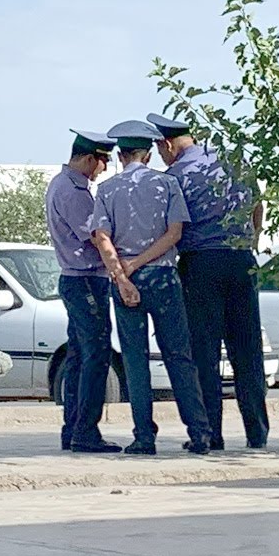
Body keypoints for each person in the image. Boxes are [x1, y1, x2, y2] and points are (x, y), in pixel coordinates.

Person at [91, 120, 213, 456]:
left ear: (120, 155)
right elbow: (174, 233)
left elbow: (101, 237)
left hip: (126, 282)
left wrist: (123, 274)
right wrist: (140, 262)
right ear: (147, 154)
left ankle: (144, 437)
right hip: (162, 277)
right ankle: (199, 433)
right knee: (179, 357)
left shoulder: (107, 190)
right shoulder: (167, 184)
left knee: (135, 360)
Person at [148, 112, 269, 450]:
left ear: (167, 144)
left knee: (204, 352)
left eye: (160, 150)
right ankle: (256, 432)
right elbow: (258, 204)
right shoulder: (235, 163)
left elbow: (173, 227)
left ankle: (211, 433)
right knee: (247, 350)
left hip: (200, 265)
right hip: (241, 259)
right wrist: (252, 239)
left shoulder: (175, 177)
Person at [44, 130, 122, 453]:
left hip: (79, 279)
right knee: (96, 352)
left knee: (79, 355)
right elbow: (95, 236)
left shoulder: (62, 185)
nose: (102, 169)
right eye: (102, 161)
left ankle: (73, 428)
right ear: (90, 158)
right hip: (85, 279)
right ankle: (85, 430)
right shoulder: (74, 192)